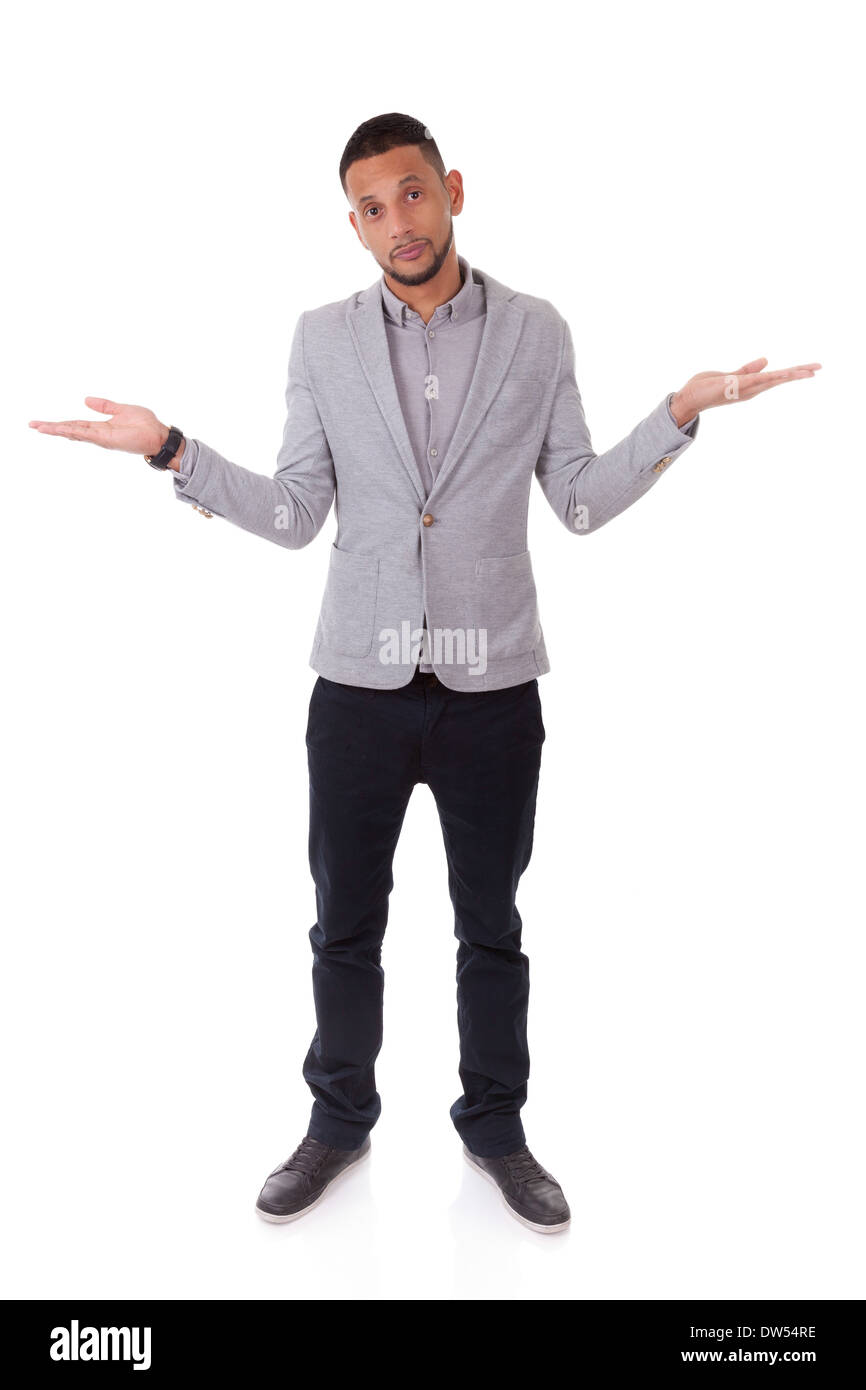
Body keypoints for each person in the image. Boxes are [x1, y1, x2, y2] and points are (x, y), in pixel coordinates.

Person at [28, 112, 821, 1236]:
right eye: (369, 207)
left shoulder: (539, 332)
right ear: (349, 223)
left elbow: (581, 499)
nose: (395, 222)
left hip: (492, 690)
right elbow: (298, 513)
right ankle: (337, 1121)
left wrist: (680, 413)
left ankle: (494, 1125)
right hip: (355, 688)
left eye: (410, 194)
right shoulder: (319, 339)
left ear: (450, 188)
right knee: (341, 923)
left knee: (488, 922)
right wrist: (171, 451)